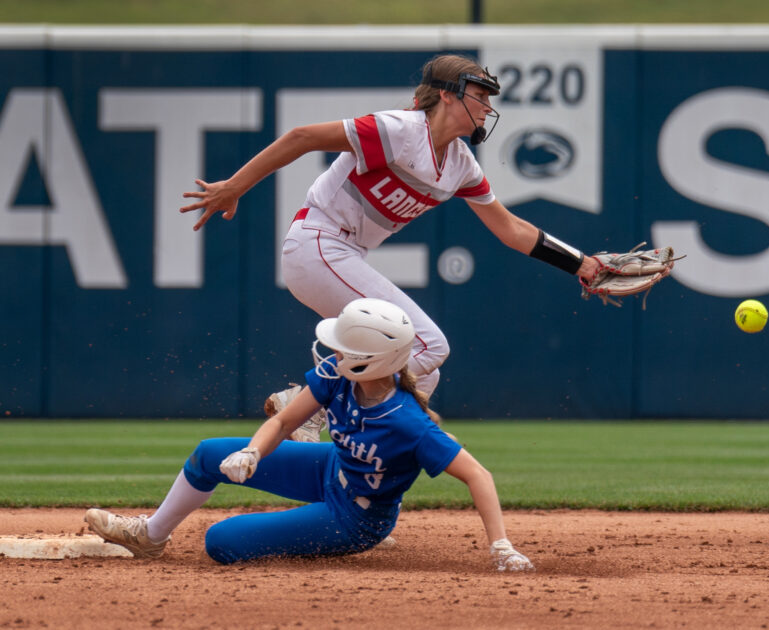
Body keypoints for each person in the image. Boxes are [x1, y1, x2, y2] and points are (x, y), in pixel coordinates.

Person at [179, 53, 600, 442]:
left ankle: (355, 483)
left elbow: (510, 229)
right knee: (429, 346)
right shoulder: (399, 130)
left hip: (342, 254)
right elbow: (302, 136)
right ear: (447, 96)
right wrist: (234, 186)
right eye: (479, 94)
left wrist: (582, 263)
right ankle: (312, 404)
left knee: (421, 381)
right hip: (317, 244)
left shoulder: (459, 164)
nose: (488, 106)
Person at [84, 297, 534, 570]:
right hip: (329, 469)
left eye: (345, 346)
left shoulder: (407, 421)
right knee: (207, 454)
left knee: (219, 543)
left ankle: (316, 530)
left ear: (369, 361)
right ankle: (151, 537)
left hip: (357, 519)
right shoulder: (339, 375)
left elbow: (479, 475)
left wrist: (501, 546)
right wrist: (254, 452)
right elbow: (282, 421)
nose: (335, 349)